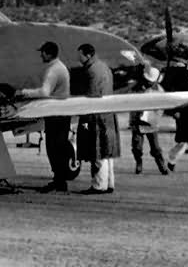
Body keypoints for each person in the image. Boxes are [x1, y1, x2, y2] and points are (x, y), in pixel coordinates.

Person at [14, 40, 73, 193]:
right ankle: (60, 181)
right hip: (61, 113)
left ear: (48, 54)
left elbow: (44, 92)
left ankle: (59, 181)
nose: (41, 55)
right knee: (57, 147)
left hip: (56, 114)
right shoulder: (60, 67)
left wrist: (24, 92)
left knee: (54, 147)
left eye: (42, 52)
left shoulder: (53, 70)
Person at [75, 43, 120, 194]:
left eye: (80, 55)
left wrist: (84, 121)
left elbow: (91, 96)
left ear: (87, 55)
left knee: (97, 151)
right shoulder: (104, 67)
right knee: (107, 152)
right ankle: (109, 183)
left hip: (95, 115)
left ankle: (98, 185)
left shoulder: (91, 71)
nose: (78, 58)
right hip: (107, 113)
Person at [129, 65, 169, 175]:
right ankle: (139, 164)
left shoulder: (160, 91)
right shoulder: (138, 88)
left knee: (156, 148)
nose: (149, 82)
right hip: (137, 122)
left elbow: (161, 108)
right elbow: (130, 103)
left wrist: (155, 117)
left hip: (151, 123)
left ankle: (162, 166)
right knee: (137, 147)